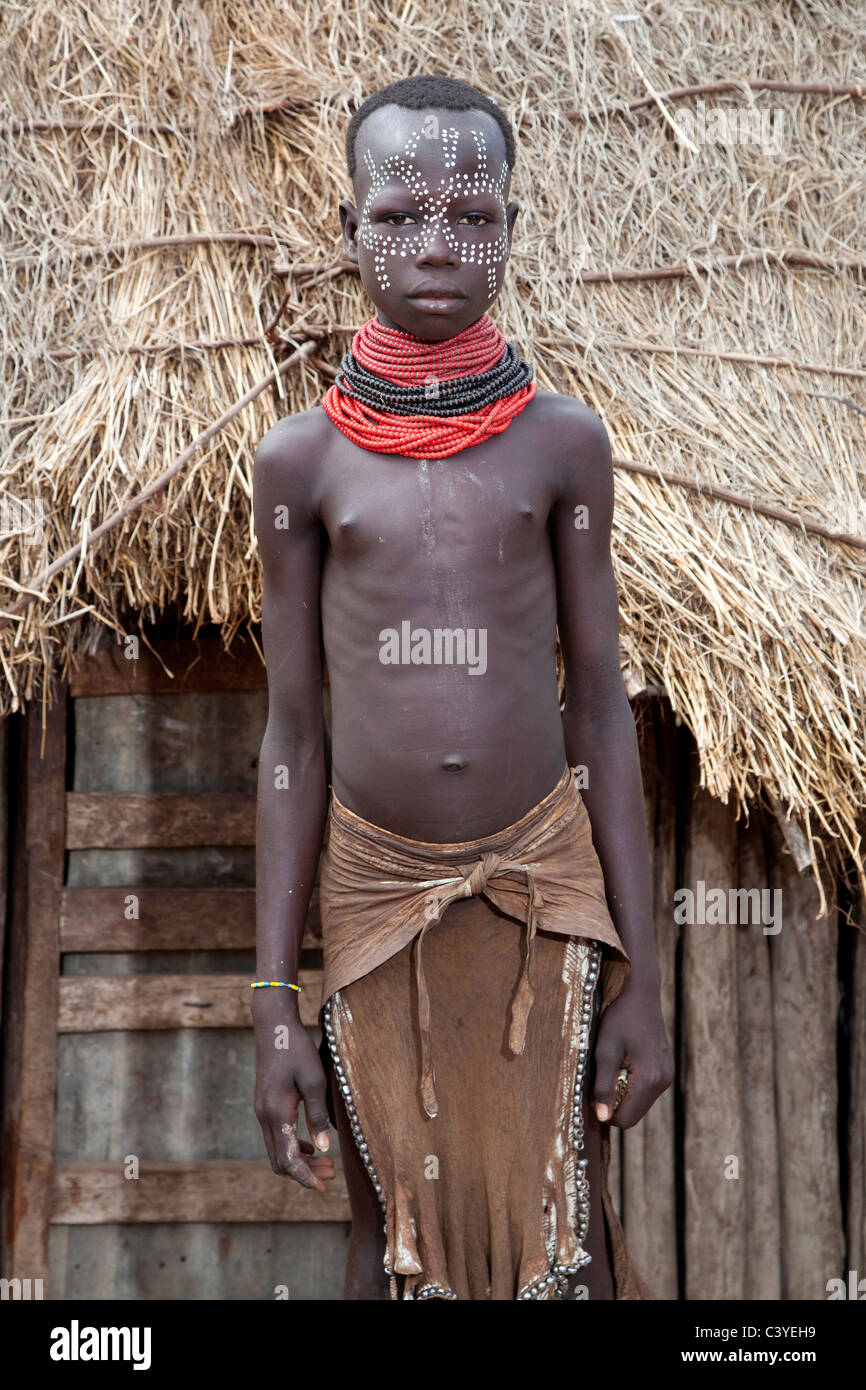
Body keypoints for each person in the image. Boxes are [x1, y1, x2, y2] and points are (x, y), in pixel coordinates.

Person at [252, 73, 673, 1301]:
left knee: (566, 1235)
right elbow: (290, 737)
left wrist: (644, 975)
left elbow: (598, 705)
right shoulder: (301, 460)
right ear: (348, 231)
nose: (435, 245)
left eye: (471, 216)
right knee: (392, 1244)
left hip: (543, 884)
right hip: (374, 895)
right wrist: (274, 995)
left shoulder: (560, 443)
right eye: (397, 216)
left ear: (509, 226)